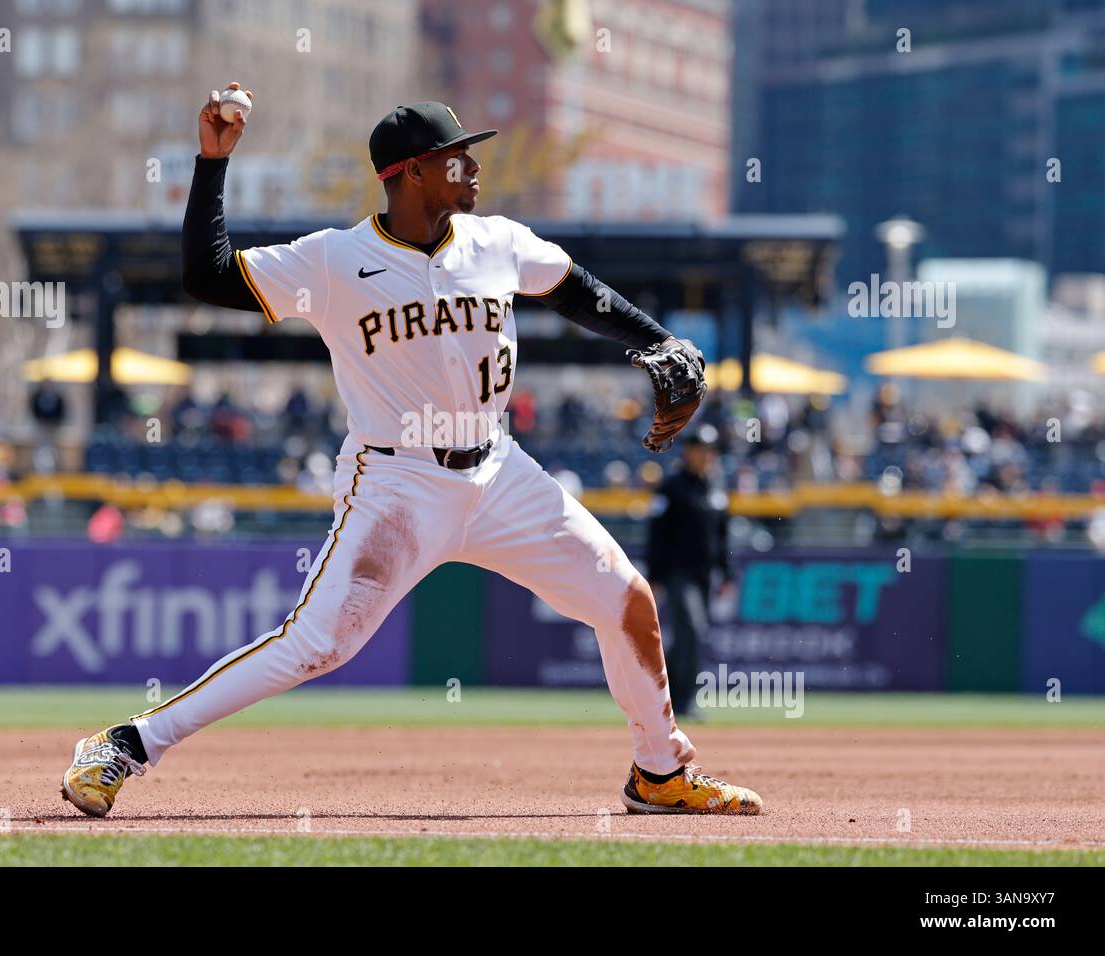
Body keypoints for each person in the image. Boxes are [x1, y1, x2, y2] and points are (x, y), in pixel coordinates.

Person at [61, 83, 762, 818]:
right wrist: (212, 163)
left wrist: (658, 342)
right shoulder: (334, 260)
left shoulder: (497, 242)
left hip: (500, 473)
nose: (472, 168)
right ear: (410, 173)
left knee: (627, 601)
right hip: (395, 483)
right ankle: (126, 743)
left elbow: (575, 291)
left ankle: (659, 771)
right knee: (315, 645)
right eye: (456, 157)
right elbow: (207, 275)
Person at [646, 426, 733, 720]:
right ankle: (682, 701)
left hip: (704, 576)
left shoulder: (715, 488)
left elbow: (721, 537)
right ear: (688, 451)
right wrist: (655, 576)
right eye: (700, 449)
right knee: (692, 630)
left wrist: (727, 573)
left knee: (687, 637)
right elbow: (656, 534)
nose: (705, 455)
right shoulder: (671, 487)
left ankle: (661, 697)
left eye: (709, 450)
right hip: (677, 573)